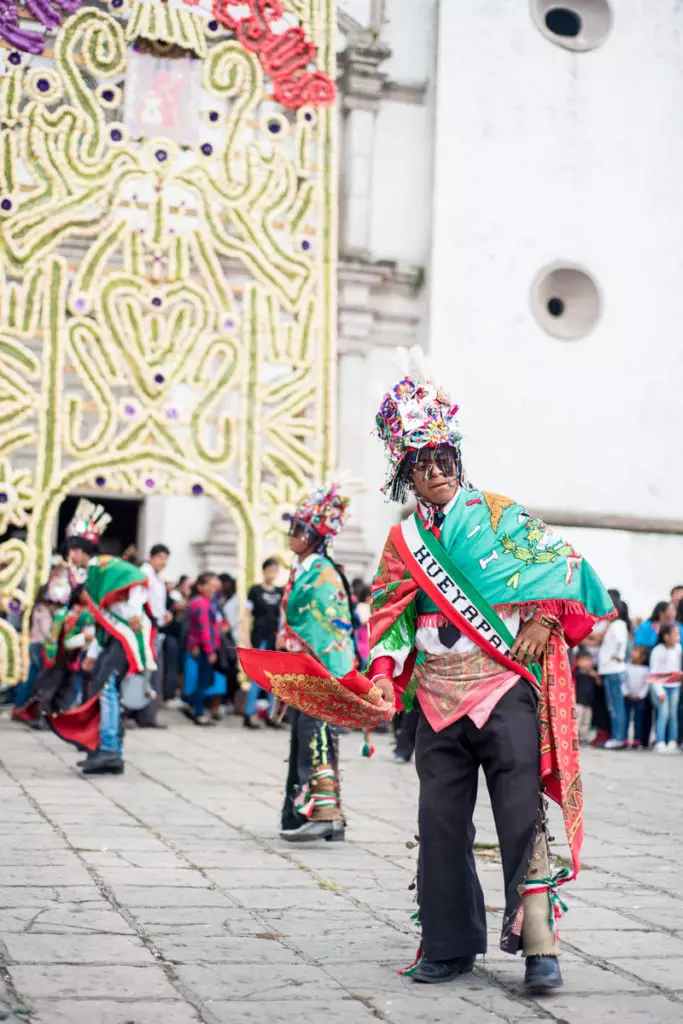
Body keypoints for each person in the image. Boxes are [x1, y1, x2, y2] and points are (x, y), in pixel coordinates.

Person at [368, 370, 613, 993]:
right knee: (440, 820)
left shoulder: (504, 516)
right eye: (421, 464)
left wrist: (539, 618)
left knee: (520, 816)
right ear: (405, 475)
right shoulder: (402, 541)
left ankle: (539, 947)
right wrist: (381, 672)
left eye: (443, 458)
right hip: (435, 696)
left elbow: (565, 569)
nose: (435, 471)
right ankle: (449, 945)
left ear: (458, 458)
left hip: (503, 685)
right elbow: (390, 616)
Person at [55, 500, 157, 775]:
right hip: (113, 637)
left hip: (126, 637)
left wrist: (134, 610)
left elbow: (136, 578)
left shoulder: (104, 564)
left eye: (75, 548)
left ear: (85, 548)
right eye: (71, 549)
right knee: (102, 687)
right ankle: (106, 747)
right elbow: (102, 620)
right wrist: (91, 654)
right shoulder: (91, 574)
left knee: (108, 688)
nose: (72, 554)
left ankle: (111, 749)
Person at [278, 484, 356, 842]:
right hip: (304, 668)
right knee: (306, 738)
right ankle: (319, 815)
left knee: (316, 738)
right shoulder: (306, 568)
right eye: (292, 528)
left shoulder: (321, 572)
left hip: (319, 667)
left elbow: (325, 624)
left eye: (299, 529)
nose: (292, 536)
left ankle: (322, 813)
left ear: (314, 535)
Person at [243, 558, 283, 729]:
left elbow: (282, 616)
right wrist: (245, 639)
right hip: (259, 637)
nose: (272, 573)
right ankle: (249, 713)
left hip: (274, 639)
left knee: (273, 678)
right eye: (270, 570)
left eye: (275, 570)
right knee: (256, 677)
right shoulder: (255, 590)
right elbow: (246, 614)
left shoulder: (279, 593)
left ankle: (271, 714)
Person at [634, 601, 676, 748]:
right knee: (647, 709)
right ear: (661, 612)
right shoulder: (647, 626)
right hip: (650, 671)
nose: (674, 612)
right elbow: (639, 645)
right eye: (670, 609)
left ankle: (668, 740)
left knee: (669, 713)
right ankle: (645, 740)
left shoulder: (675, 627)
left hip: (671, 676)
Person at [139, 544, 173, 722]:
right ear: (151, 557)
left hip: (155, 627)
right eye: (160, 557)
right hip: (145, 627)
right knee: (143, 670)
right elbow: (141, 602)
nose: (163, 562)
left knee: (154, 672)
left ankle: (148, 715)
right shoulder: (144, 574)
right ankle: (137, 712)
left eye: (165, 558)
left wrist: (164, 614)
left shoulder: (158, 578)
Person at [185, 572, 223, 726]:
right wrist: (210, 650)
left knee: (204, 680)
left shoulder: (206, 602)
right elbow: (204, 630)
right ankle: (198, 712)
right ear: (201, 586)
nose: (215, 588)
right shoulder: (201, 603)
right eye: (211, 585)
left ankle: (190, 704)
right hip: (203, 648)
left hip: (202, 647)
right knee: (203, 680)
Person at [597, 598, 630, 750]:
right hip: (611, 669)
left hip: (613, 670)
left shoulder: (618, 625)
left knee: (616, 707)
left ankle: (618, 738)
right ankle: (618, 737)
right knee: (616, 706)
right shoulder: (616, 625)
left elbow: (619, 643)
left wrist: (615, 656)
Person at [648, 623, 682, 753]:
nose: (678, 636)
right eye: (676, 634)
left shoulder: (678, 649)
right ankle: (660, 741)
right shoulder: (657, 651)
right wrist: (659, 691)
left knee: (673, 714)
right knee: (663, 714)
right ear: (666, 636)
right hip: (661, 687)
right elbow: (654, 672)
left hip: (674, 686)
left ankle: (672, 741)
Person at [624, 646, 650, 749]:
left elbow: (647, 683)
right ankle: (625, 738)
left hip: (639, 699)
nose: (632, 653)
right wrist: (626, 693)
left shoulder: (646, 669)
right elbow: (624, 681)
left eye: (636, 651)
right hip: (628, 697)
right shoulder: (626, 667)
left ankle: (637, 740)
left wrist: (641, 695)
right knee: (626, 718)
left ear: (643, 657)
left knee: (638, 720)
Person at [573, 648, 597, 744]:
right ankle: (574, 737)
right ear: (577, 662)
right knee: (577, 720)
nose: (587, 663)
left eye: (589, 660)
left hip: (588, 703)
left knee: (586, 721)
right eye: (583, 660)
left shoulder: (592, 674)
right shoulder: (577, 673)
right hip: (578, 702)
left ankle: (583, 738)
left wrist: (594, 676)